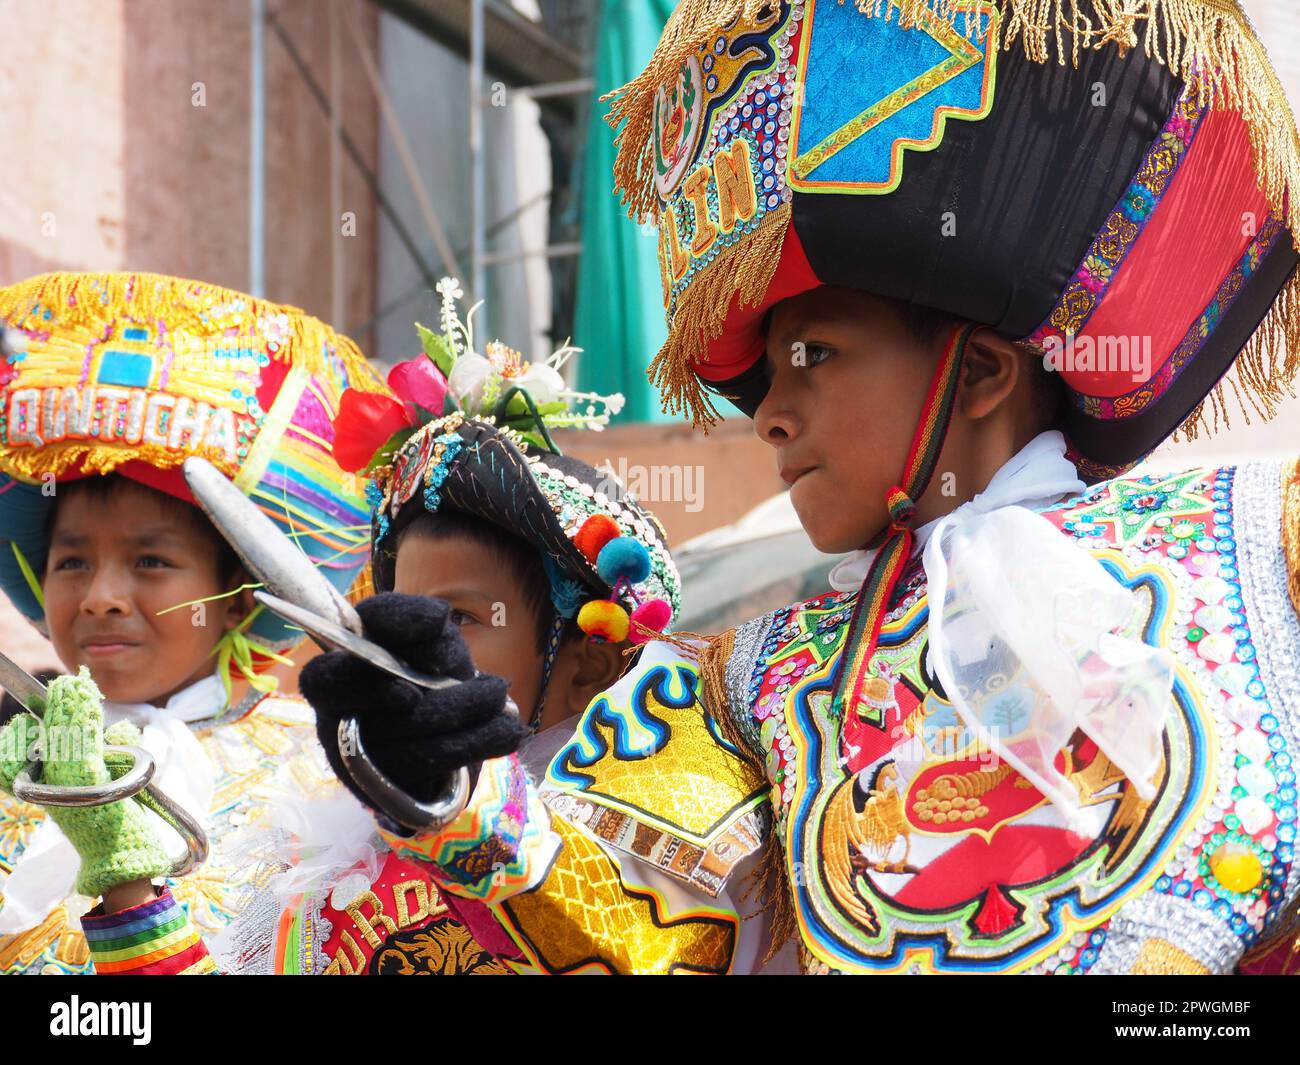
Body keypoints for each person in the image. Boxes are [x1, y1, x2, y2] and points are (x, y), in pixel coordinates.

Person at [303, 2, 1300, 973]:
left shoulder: (1261, 539)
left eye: (813, 355)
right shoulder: (749, 683)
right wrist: (452, 794)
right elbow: (638, 933)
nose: (768, 414)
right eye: (767, 376)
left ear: (985, 374)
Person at [0, 271, 381, 974]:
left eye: (149, 561)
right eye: (72, 562)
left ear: (238, 595)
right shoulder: (11, 750)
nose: (101, 597)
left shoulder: (329, 771)